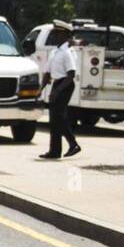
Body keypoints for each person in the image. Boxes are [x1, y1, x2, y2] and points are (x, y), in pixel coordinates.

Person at [41, 19, 81, 159]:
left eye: (57, 33)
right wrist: (41, 89)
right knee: (54, 119)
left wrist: (57, 91)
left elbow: (71, 74)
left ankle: (72, 144)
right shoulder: (54, 52)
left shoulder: (67, 52)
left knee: (57, 118)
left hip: (65, 85)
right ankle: (55, 151)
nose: (54, 35)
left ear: (64, 35)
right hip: (57, 84)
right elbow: (47, 73)